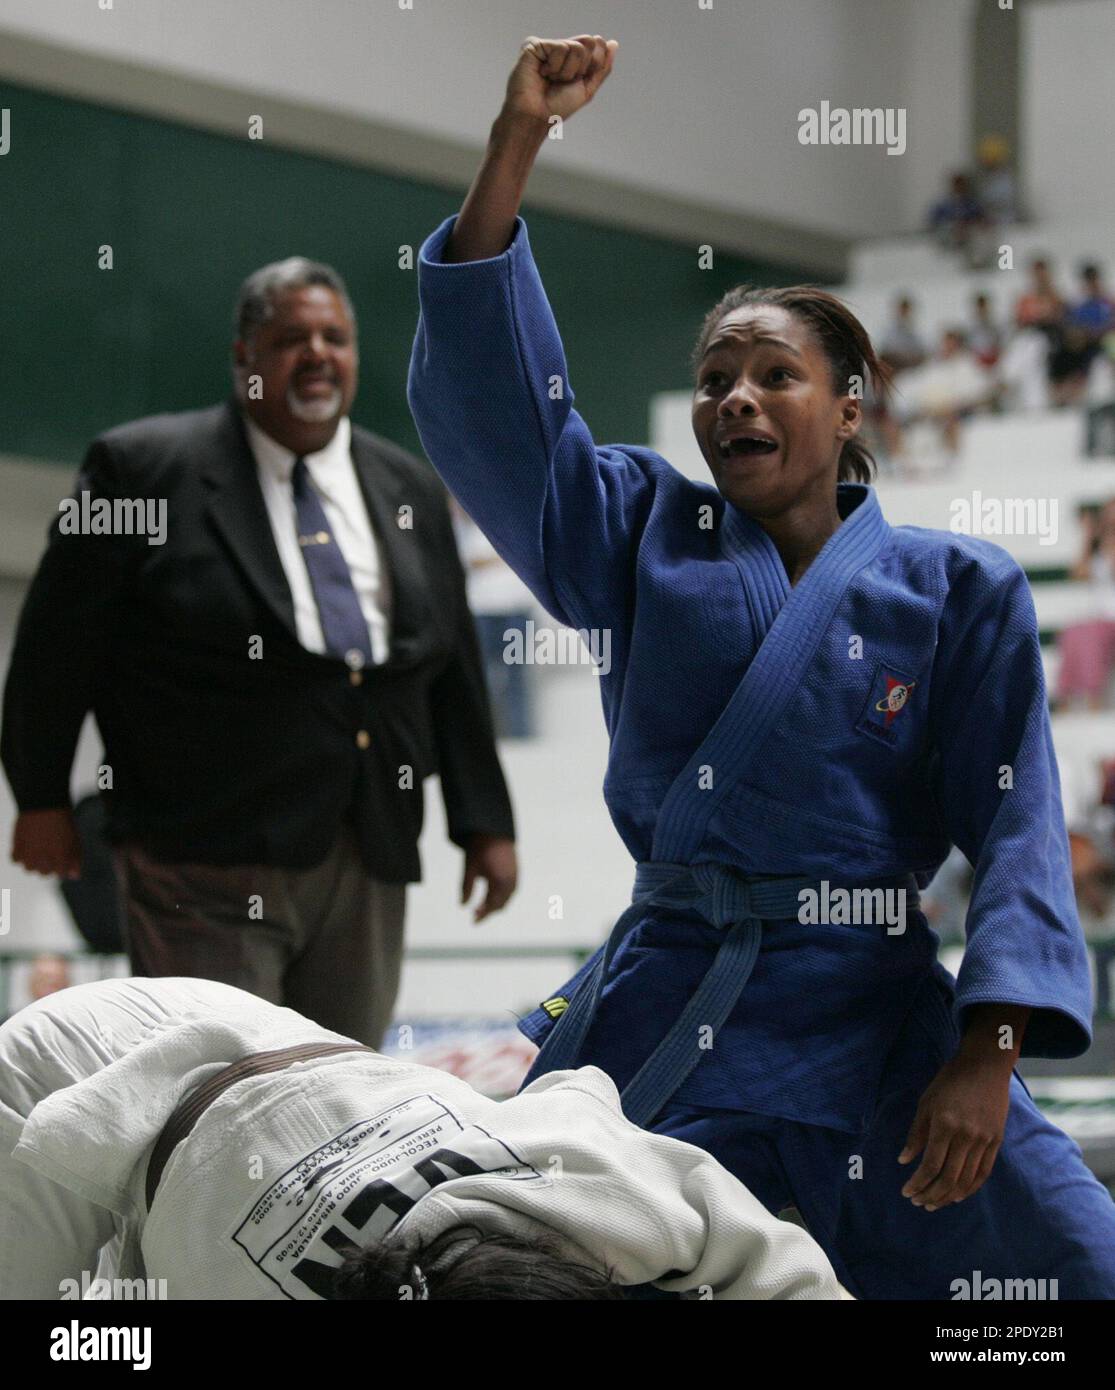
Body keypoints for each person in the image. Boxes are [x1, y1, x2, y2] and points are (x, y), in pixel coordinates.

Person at [406, 34, 1115, 1300]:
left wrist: (988, 1050)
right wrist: (517, 141)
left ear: (847, 409)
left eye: (772, 375)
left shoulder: (958, 589)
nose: (733, 397)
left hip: (872, 1015)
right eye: (713, 379)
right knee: (514, 1273)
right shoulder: (638, 534)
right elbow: (505, 421)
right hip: (675, 1002)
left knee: (1069, 1263)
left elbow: (1014, 827)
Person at [2, 257, 517, 1047]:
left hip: (367, 842)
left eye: (334, 338)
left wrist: (484, 821)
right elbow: (55, 642)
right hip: (199, 848)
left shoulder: (408, 488)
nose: (316, 354)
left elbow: (447, 665)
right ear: (244, 356)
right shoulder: (138, 471)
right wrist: (38, 797)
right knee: (220, 1089)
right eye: (290, 339)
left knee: (347, 1097)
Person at [0, 976, 845, 1301]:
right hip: (57, 1079)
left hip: (239, 1031)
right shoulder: (234, 1287)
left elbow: (794, 1279)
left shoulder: (602, 1183)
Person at [1056, 499, 1115, 711]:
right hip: (1102, 619)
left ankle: (1093, 700)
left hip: (1107, 623)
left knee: (1093, 635)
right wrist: (1089, 537)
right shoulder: (1097, 549)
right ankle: (1067, 701)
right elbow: (1077, 573)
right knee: (1073, 633)